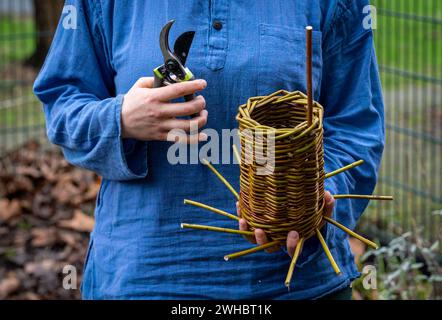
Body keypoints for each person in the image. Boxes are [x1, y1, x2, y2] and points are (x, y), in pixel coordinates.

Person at [34, 0, 384, 300]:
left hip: (297, 284)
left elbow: (356, 125)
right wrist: (121, 118)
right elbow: (63, 105)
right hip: (144, 278)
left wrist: (319, 200)